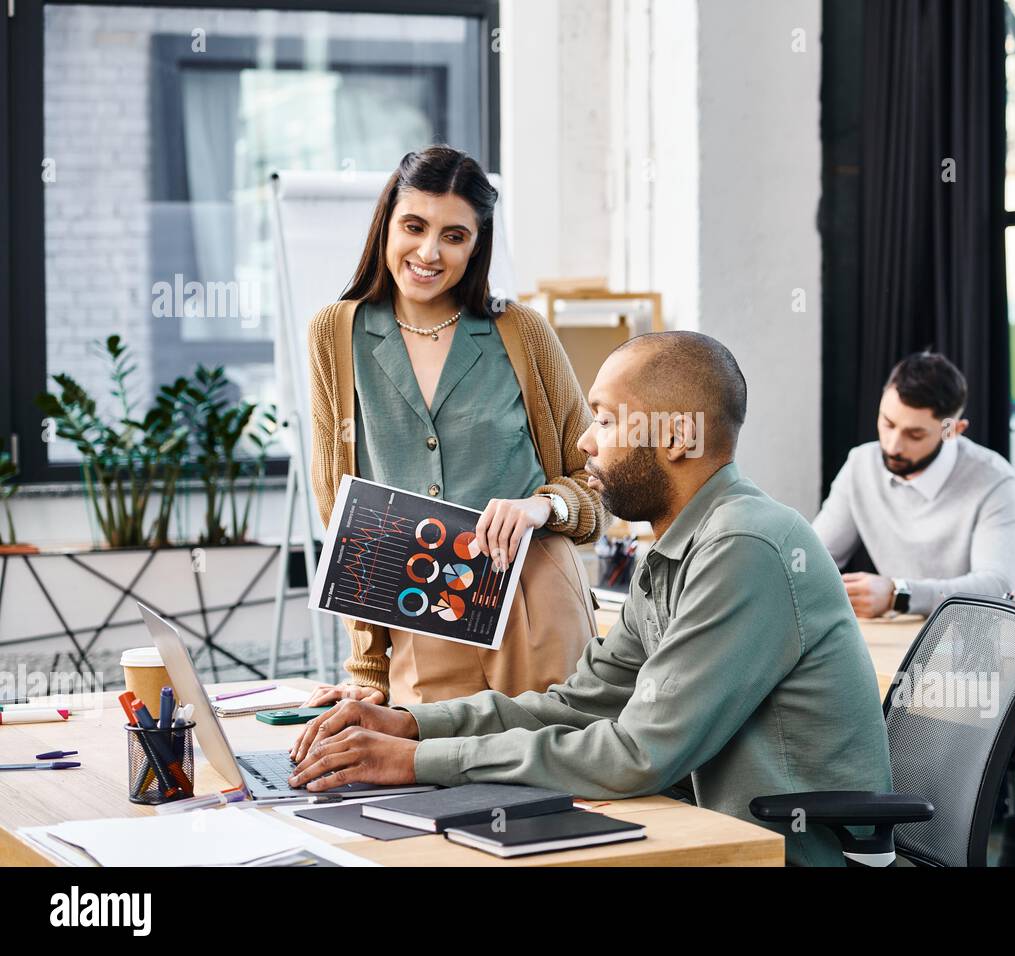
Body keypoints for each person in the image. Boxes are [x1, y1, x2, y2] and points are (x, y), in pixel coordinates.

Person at [290, 331, 891, 866]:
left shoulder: (746, 547)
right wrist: (411, 725)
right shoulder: (674, 550)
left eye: (604, 419)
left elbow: (637, 755)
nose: (583, 442)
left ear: (677, 437)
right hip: (703, 832)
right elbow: (581, 705)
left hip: (783, 851)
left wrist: (414, 763)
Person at [305, 145, 606, 707]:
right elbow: (344, 512)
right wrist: (368, 670)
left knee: (560, 783)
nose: (428, 252)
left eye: (454, 235)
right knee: (428, 790)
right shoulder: (336, 333)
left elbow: (596, 481)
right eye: (414, 226)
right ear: (385, 227)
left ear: (476, 246)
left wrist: (539, 506)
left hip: (534, 600)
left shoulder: (521, 333)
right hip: (418, 614)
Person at [813, 351, 1015, 618]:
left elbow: (1000, 587)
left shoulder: (994, 480)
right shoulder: (861, 465)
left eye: (915, 434)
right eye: (888, 423)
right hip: (902, 636)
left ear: (953, 430)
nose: (893, 446)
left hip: (979, 643)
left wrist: (898, 594)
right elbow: (813, 559)